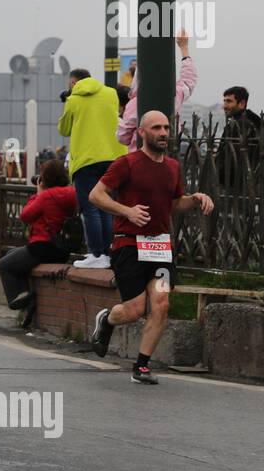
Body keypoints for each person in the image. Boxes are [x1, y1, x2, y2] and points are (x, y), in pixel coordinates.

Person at [88, 110, 214, 383]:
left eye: (166, 127)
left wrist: (194, 198)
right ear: (142, 133)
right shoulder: (127, 163)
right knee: (133, 310)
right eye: (156, 128)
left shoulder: (172, 167)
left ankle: (141, 366)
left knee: (161, 304)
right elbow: (95, 195)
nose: (163, 133)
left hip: (159, 248)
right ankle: (107, 319)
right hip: (128, 245)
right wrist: (127, 211)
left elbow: (175, 203)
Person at [58, 67, 126, 269]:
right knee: (106, 205)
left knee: (90, 208)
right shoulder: (111, 93)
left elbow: (64, 129)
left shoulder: (73, 99)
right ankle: (107, 252)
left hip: (87, 159)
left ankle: (96, 253)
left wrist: (68, 102)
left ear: (73, 84)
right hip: (113, 157)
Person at [0, 159, 76, 312]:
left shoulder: (46, 196)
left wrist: (38, 194)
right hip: (61, 248)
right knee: (11, 254)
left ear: (46, 178)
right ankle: (25, 295)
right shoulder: (71, 193)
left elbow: (25, 215)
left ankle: (17, 299)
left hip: (43, 247)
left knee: (4, 265)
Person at [118, 30, 197, 151]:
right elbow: (188, 80)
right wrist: (184, 49)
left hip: (140, 158)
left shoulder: (135, 104)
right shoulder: (174, 95)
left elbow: (123, 137)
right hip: (168, 155)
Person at [217, 84, 264, 185]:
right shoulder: (251, 122)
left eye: (229, 101)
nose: (225, 106)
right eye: (224, 101)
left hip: (236, 186)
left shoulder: (240, 125)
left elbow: (233, 159)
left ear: (242, 103)